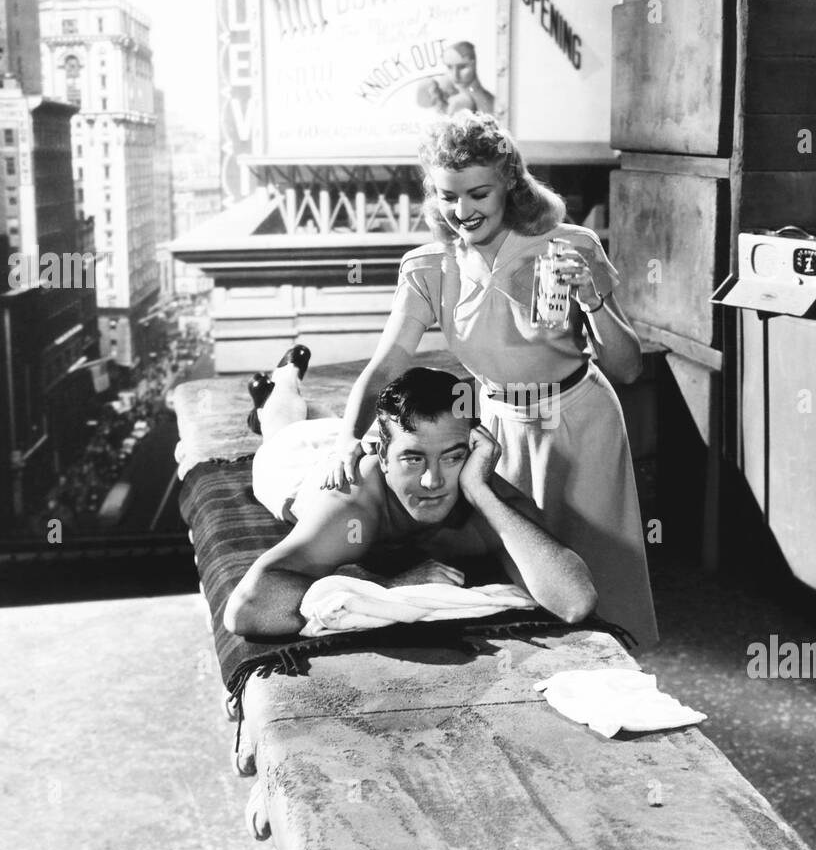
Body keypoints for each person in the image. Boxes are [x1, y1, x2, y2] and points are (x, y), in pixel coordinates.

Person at [322, 113, 659, 648]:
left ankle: (621, 685)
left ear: (509, 181)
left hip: (582, 418)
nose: (462, 212)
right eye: (448, 196)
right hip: (500, 428)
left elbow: (628, 367)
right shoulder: (428, 266)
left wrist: (592, 298)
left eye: (477, 193)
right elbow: (386, 365)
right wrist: (346, 439)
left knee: (600, 572)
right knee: (523, 573)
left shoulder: (570, 244)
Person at [225, 367, 597, 638]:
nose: (433, 482)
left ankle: (294, 390)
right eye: (414, 460)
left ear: (474, 448)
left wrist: (481, 494)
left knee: (330, 422)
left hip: (383, 438)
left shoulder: (480, 487)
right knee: (282, 426)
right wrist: (386, 589)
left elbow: (575, 601)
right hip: (298, 466)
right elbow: (247, 609)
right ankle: (285, 377)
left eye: (452, 457)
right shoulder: (351, 503)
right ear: (384, 458)